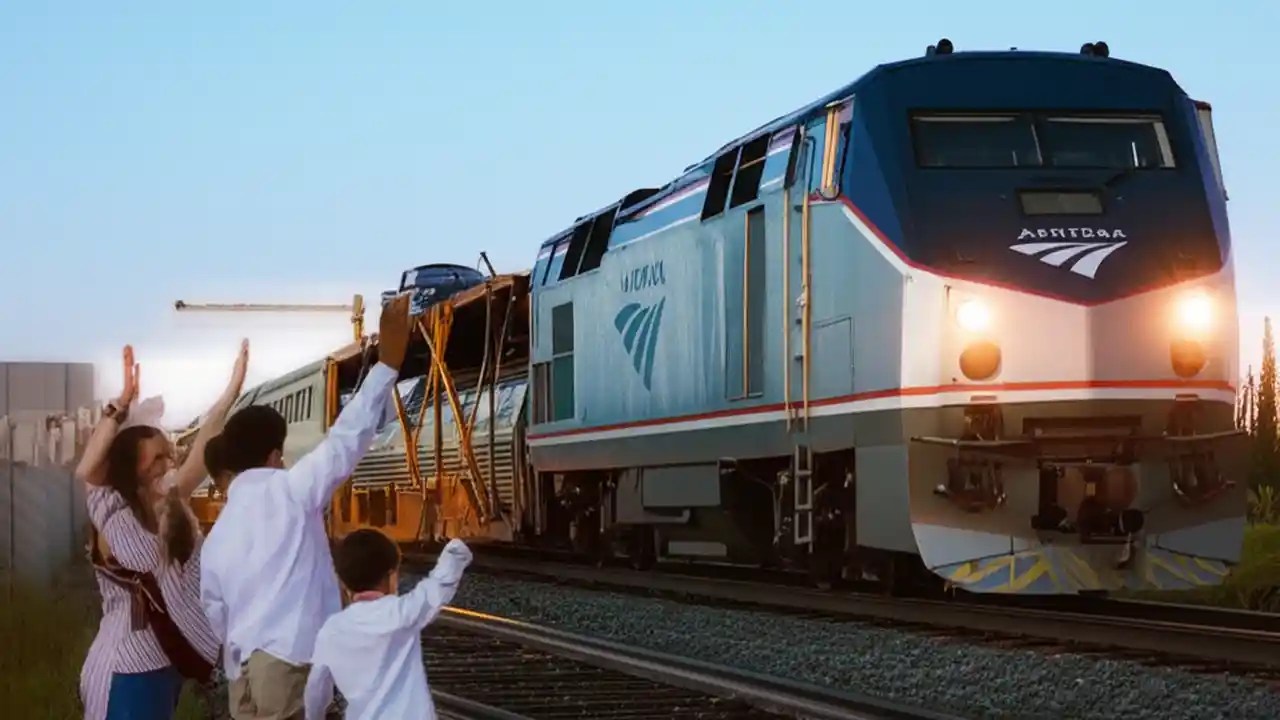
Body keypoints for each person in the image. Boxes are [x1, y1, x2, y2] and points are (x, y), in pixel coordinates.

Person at [200, 294, 412, 720]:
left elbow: (214, 612)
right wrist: (386, 366)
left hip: (242, 674)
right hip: (289, 667)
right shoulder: (292, 492)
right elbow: (344, 440)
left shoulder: (217, 536)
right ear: (275, 454)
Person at [76, 340, 250, 720]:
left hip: (165, 663)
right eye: (157, 457)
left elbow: (202, 450)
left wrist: (230, 393)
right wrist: (119, 408)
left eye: (169, 453)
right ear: (132, 469)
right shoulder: (112, 513)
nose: (168, 462)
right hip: (128, 667)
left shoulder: (168, 504)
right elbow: (88, 470)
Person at [302, 531, 471, 720]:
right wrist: (456, 548)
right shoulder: (402, 612)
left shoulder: (331, 630)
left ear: (343, 582)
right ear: (391, 575)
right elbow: (440, 584)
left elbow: (316, 689)